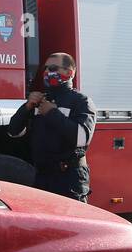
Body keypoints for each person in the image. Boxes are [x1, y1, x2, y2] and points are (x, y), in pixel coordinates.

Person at [7, 52, 95, 202]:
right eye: (46, 68)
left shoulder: (81, 101)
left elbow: (82, 138)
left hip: (68, 178)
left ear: (69, 72)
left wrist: (52, 113)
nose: (47, 72)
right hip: (42, 177)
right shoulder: (41, 99)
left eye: (53, 68)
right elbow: (13, 132)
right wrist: (26, 107)